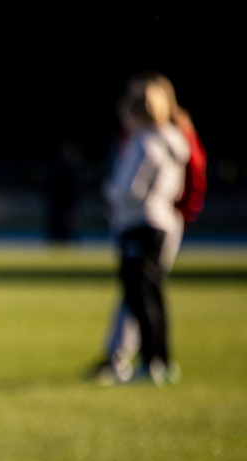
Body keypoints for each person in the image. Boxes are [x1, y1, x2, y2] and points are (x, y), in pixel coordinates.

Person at [92, 73, 199, 385]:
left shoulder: (146, 142)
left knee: (141, 297)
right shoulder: (174, 140)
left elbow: (131, 187)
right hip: (160, 221)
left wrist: (111, 192)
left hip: (141, 222)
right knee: (152, 294)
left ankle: (151, 362)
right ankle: (160, 360)